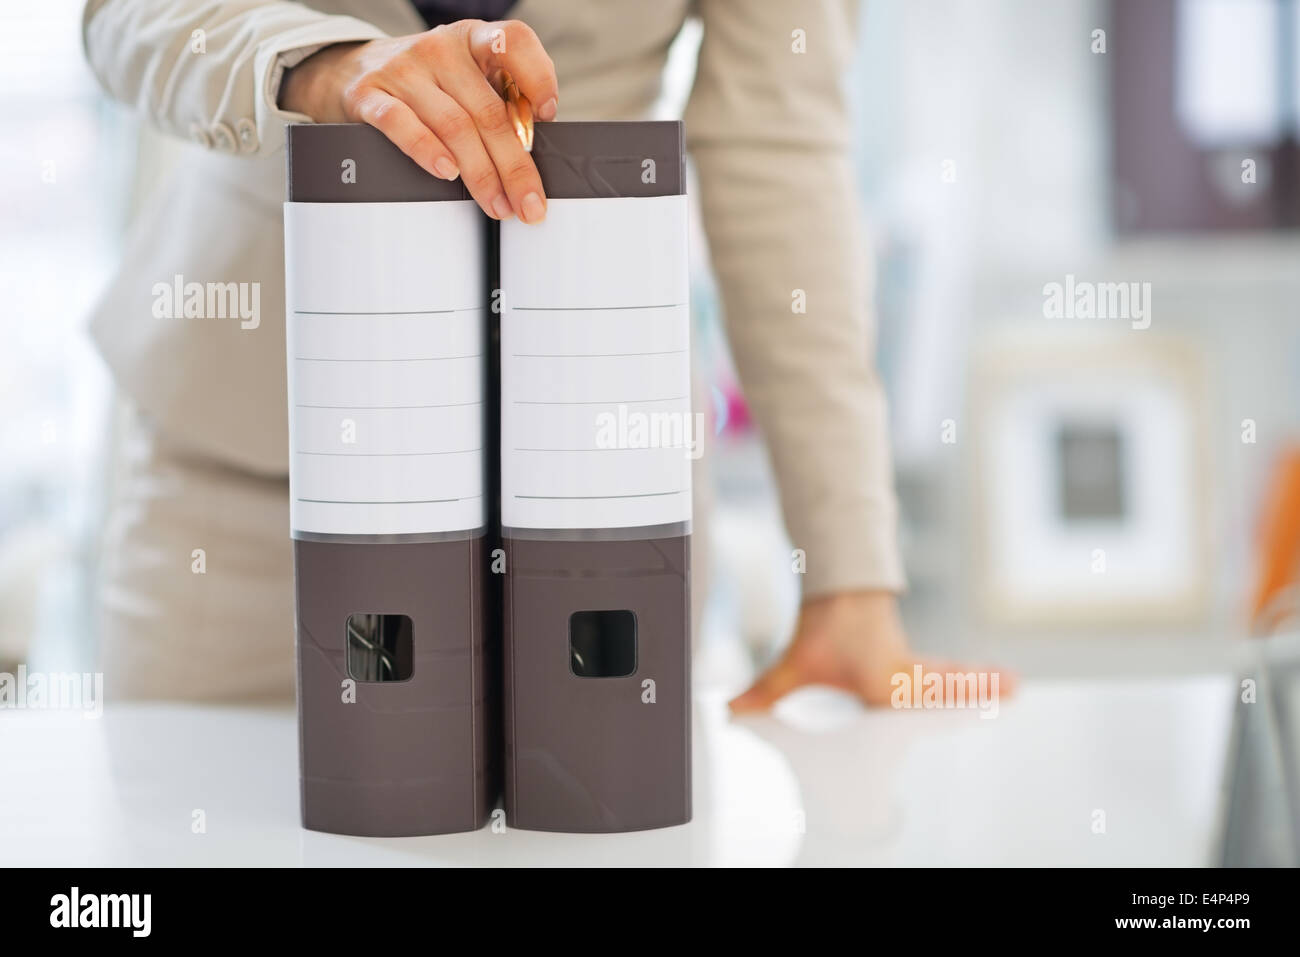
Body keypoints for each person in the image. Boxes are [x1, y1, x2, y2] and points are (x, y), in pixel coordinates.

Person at [82, 0, 1010, 709]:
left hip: (596, 495)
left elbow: (779, 151)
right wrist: (327, 66)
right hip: (258, 478)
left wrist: (846, 572)